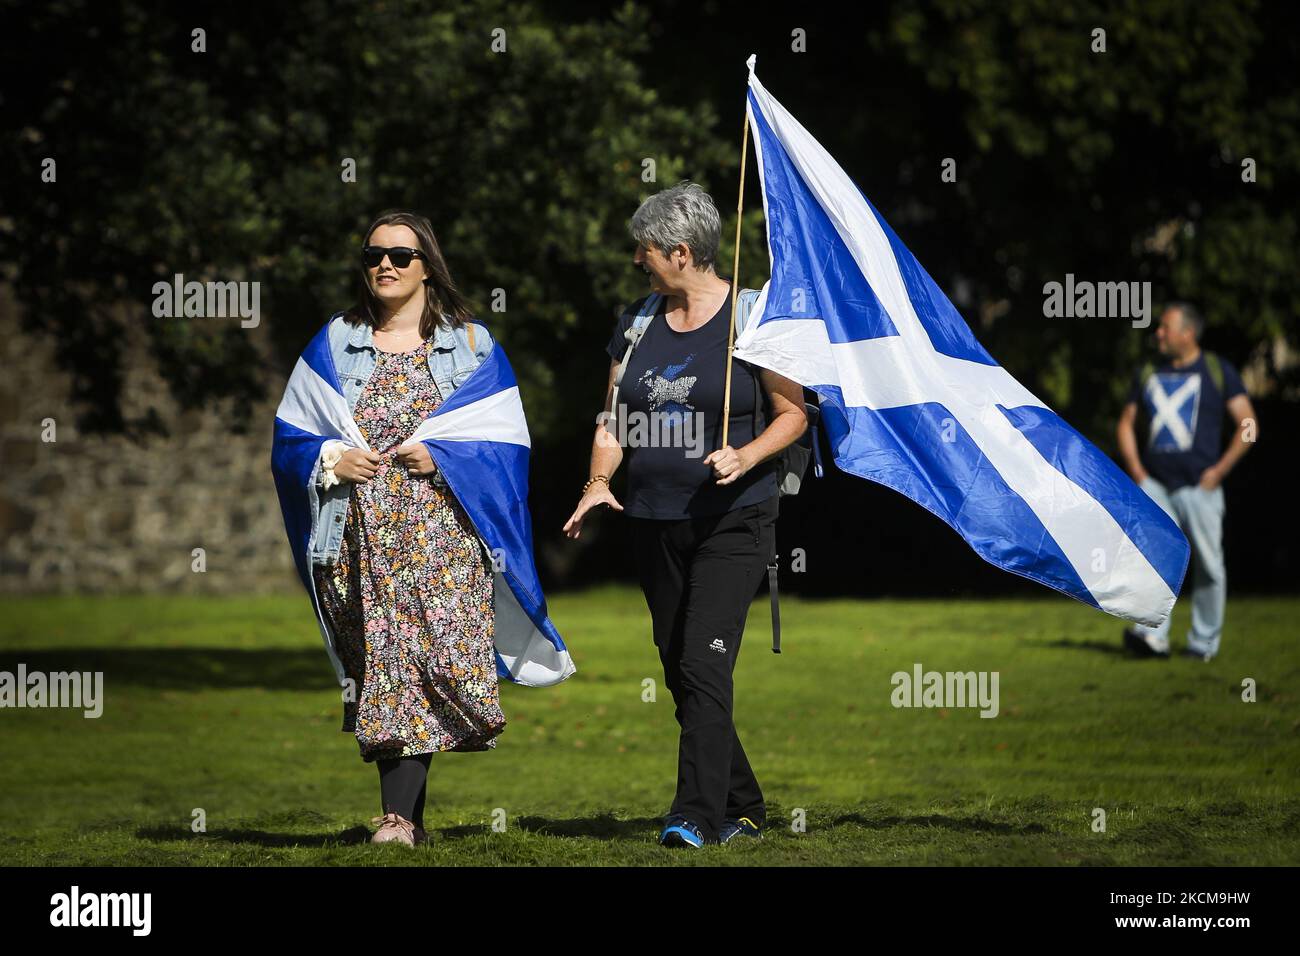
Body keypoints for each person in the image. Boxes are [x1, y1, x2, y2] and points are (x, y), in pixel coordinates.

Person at [563, 182, 808, 847]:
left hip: (736, 518)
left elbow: (794, 415)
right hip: (652, 517)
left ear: (681, 251)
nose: (637, 261)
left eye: (645, 250)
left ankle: (693, 815)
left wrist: (745, 455)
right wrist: (596, 482)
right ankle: (745, 802)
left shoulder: (754, 320)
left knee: (705, 661)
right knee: (679, 665)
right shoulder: (638, 320)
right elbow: (613, 418)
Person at [309, 210, 501, 846]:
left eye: (399, 255)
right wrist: (330, 459)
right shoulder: (333, 343)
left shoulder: (472, 346)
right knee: (387, 666)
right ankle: (400, 821)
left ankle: (403, 821)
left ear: (428, 267)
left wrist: (445, 456)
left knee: (434, 667)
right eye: (372, 255)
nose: (384, 265)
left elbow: (507, 444)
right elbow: (291, 437)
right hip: (359, 536)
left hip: (443, 537)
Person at [1116, 301, 1258, 661]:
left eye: (1165, 328)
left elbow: (1249, 425)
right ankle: (1151, 638)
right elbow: (1125, 424)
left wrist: (1220, 470)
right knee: (1152, 559)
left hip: (1201, 485)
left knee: (1209, 565)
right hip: (1156, 484)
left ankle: (1203, 644)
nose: (1158, 334)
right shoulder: (1149, 371)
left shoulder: (1217, 370)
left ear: (1187, 333)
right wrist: (1137, 471)